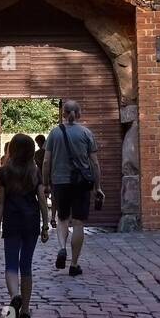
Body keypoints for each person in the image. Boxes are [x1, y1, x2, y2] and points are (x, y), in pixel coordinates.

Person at [0, 134, 50, 318]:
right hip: (31, 221)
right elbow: (42, 200)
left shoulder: (4, 172)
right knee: (26, 265)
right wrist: (46, 225)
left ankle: (15, 295)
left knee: (11, 265)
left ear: (11, 150)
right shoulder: (35, 171)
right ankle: (24, 311)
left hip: (12, 221)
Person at [42, 99, 103, 277]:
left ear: (63, 113)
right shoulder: (86, 133)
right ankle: (74, 264)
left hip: (60, 182)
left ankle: (62, 248)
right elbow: (95, 163)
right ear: (79, 114)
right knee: (78, 223)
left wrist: (46, 183)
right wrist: (97, 186)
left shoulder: (54, 133)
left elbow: (46, 161)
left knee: (62, 218)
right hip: (81, 183)